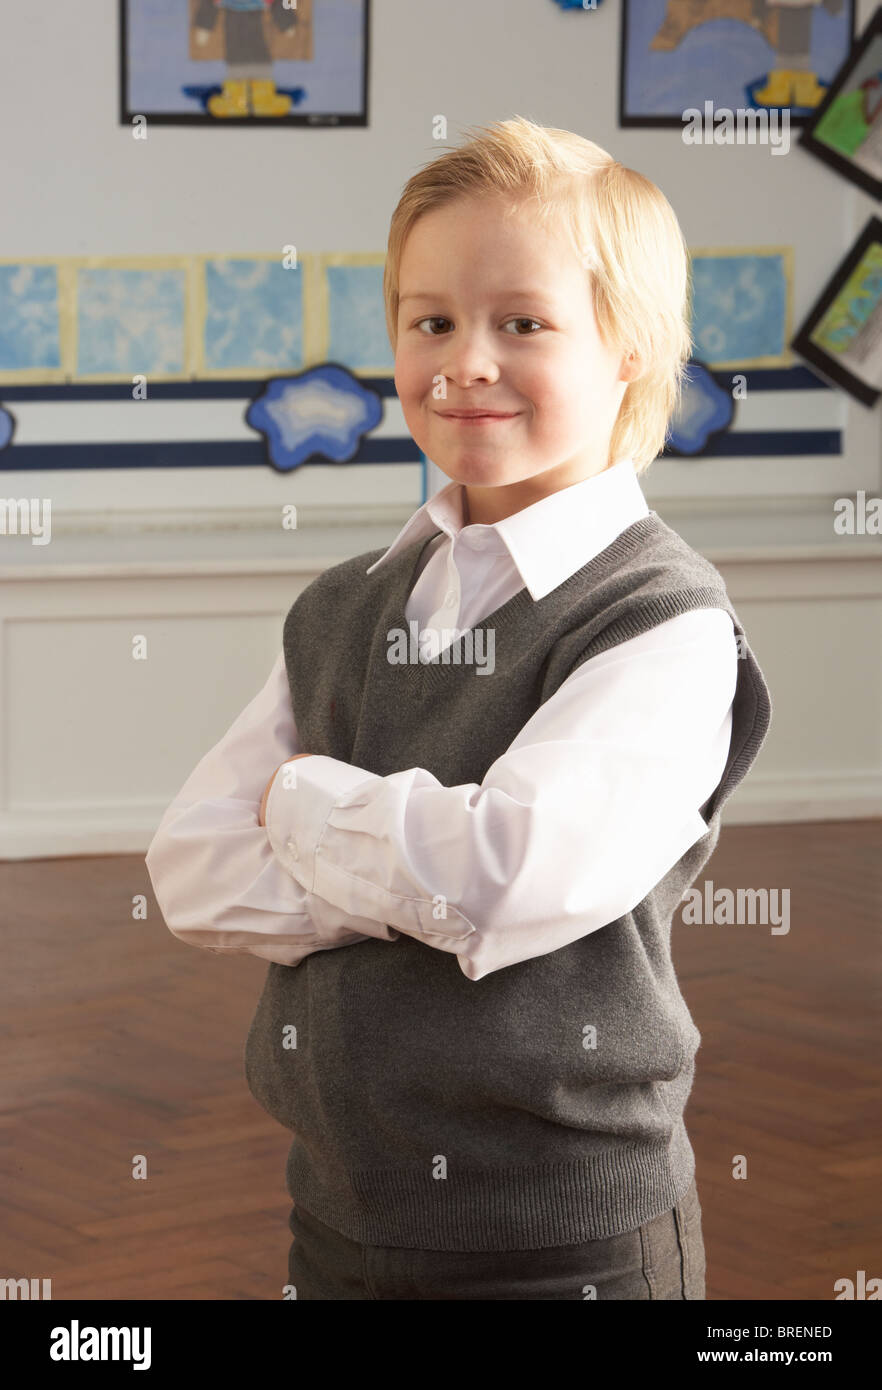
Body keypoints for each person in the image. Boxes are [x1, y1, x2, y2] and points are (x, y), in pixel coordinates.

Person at [146, 116, 772, 1300]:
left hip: (558, 1243)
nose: (463, 360)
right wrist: (411, 866)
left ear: (627, 347)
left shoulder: (664, 623)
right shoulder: (344, 605)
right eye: (430, 319)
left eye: (521, 323)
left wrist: (300, 801)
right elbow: (190, 868)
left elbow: (500, 876)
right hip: (338, 1213)